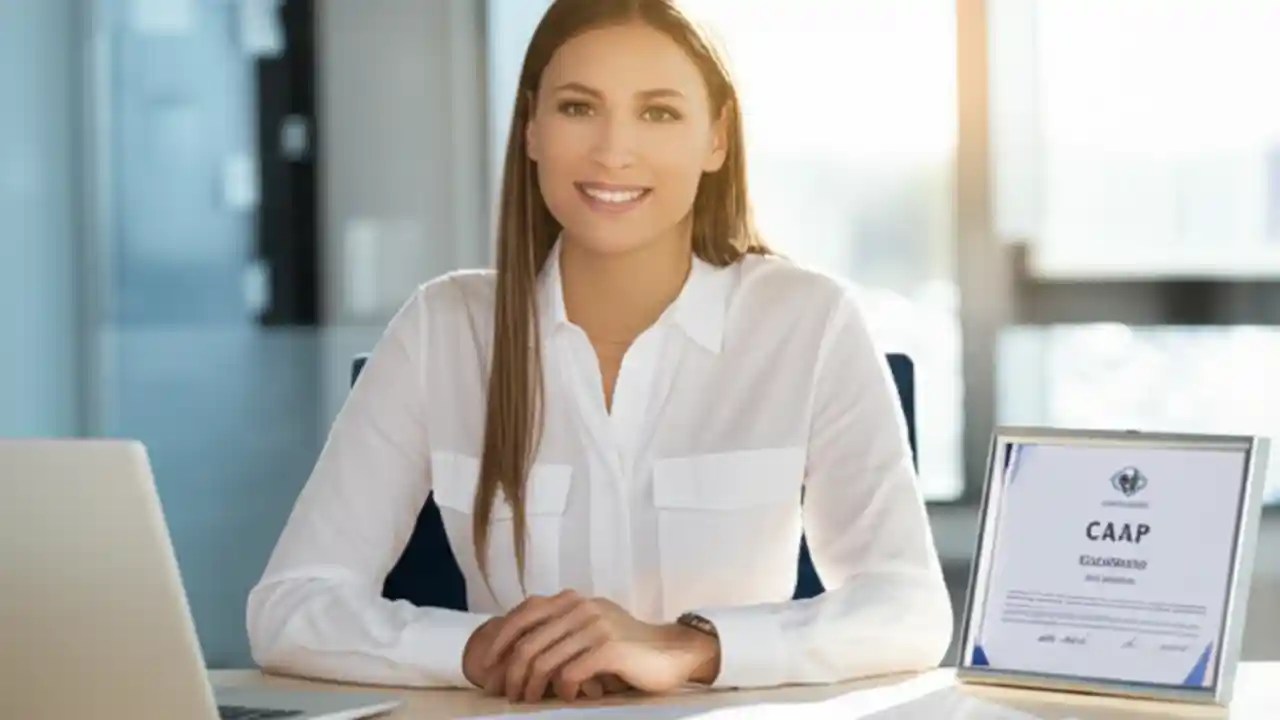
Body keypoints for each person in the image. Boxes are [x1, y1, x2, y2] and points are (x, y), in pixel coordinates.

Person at [247, 0, 952, 704]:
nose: (614, 150)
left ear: (717, 137)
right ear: (530, 128)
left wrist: (689, 647)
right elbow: (290, 607)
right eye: (579, 108)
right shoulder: (444, 327)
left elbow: (909, 610)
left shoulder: (808, 322)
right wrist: (473, 646)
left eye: (659, 113)